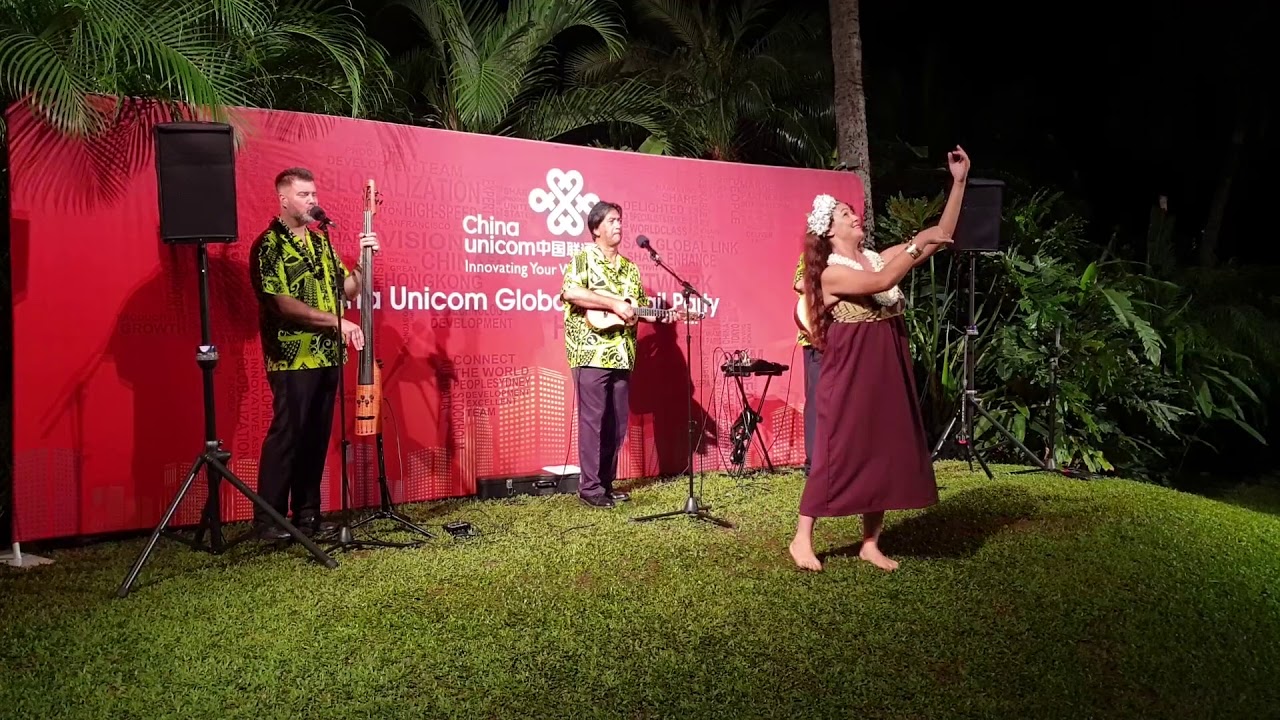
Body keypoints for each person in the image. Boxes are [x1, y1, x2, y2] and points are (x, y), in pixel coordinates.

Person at [789, 147, 971, 571]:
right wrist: (913, 246)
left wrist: (958, 183)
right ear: (829, 231)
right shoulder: (829, 272)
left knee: (882, 445)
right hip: (849, 364)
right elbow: (886, 279)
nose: (855, 217)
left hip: (886, 356)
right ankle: (802, 538)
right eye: (845, 214)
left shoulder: (872, 256)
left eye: (853, 213)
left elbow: (939, 234)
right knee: (837, 445)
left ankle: (870, 541)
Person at [249, 167, 378, 540]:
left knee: (316, 437)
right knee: (289, 434)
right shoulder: (269, 245)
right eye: (304, 195)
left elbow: (349, 289)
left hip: (328, 356)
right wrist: (336, 323)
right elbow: (282, 304)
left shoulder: (321, 243)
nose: (312, 202)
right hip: (292, 356)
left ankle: (307, 515)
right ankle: (268, 520)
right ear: (283, 199)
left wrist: (363, 261)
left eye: (314, 195)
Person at [560, 201, 681, 509]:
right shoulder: (583, 259)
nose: (618, 225)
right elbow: (572, 292)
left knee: (616, 423)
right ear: (596, 228)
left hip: (622, 354)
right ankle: (590, 489)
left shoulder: (630, 268)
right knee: (594, 420)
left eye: (620, 220)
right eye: (612, 221)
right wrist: (612, 304)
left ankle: (606, 484)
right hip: (590, 351)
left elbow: (638, 308)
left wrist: (663, 316)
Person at [793, 255, 821, 475]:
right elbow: (800, 284)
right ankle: (814, 463)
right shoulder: (812, 254)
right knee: (817, 402)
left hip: (844, 338)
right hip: (816, 340)